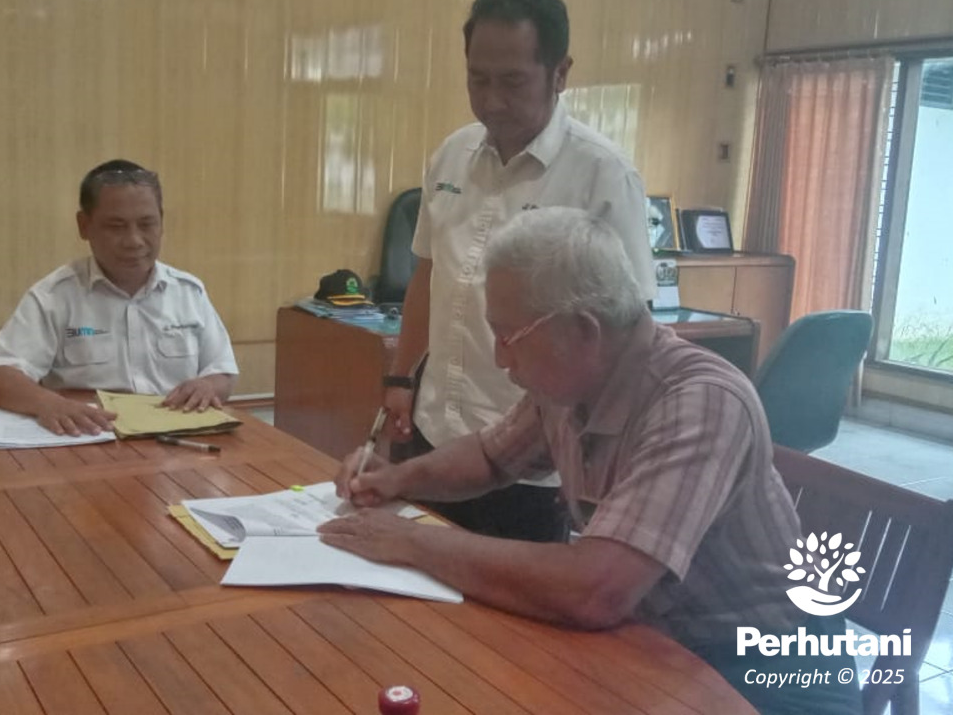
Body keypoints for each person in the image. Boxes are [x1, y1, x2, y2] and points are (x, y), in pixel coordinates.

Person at [321, 208, 861, 715]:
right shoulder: (569, 382)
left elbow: (595, 590)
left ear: (584, 330)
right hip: (651, 637)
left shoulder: (699, 401)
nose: (499, 358)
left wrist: (418, 541)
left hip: (764, 669)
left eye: (509, 337)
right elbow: (489, 458)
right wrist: (396, 479)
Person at [383, 0, 656, 542]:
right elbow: (430, 276)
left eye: (512, 82)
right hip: (437, 429)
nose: (492, 101)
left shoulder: (602, 175)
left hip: (534, 461)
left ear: (560, 73)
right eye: (477, 80)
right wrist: (399, 379)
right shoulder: (451, 155)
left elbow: (631, 330)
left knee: (507, 620)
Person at [0, 159, 239, 436]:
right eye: (116, 226)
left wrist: (209, 386)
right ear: (84, 226)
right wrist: (49, 404)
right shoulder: (54, 295)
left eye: (147, 224)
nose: (134, 240)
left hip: (175, 441)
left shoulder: (189, 292)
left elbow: (222, 370)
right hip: (90, 438)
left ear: (161, 223)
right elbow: (0, 375)